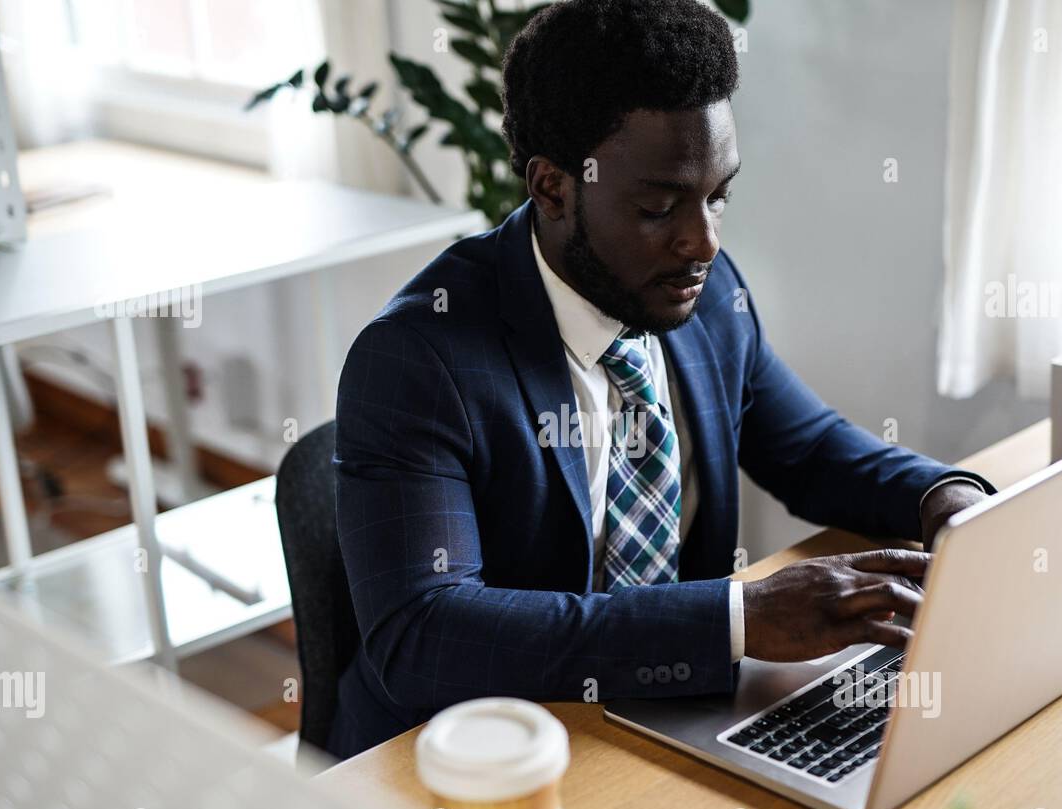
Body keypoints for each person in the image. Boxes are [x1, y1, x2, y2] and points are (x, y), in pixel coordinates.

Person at [328, 0, 992, 758]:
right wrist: (738, 619)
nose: (703, 241)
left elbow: (805, 448)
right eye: (658, 206)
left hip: (658, 728)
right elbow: (422, 636)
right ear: (552, 188)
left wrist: (944, 497)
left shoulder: (702, 295)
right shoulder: (418, 360)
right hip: (466, 764)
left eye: (719, 196)